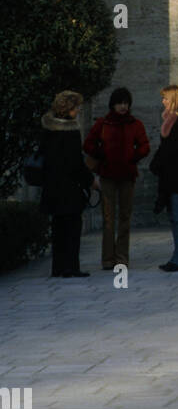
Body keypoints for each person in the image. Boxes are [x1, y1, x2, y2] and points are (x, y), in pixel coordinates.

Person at [82, 86, 149, 270]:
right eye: (120, 103)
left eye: (126, 103)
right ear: (113, 104)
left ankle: (122, 257)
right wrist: (101, 153)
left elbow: (144, 146)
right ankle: (107, 258)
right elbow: (88, 144)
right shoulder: (103, 124)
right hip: (108, 175)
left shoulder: (135, 124)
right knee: (108, 217)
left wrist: (133, 157)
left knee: (125, 217)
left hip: (127, 175)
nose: (123, 107)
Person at [39, 90, 94, 278]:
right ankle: (71, 266)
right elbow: (76, 164)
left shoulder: (48, 130)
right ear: (69, 108)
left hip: (52, 187)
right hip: (69, 188)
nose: (79, 110)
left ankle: (58, 267)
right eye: (77, 107)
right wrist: (91, 181)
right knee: (72, 228)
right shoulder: (70, 132)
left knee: (57, 229)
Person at [150, 85, 178, 272]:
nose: (163, 102)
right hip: (171, 175)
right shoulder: (171, 121)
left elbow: (173, 150)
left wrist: (158, 163)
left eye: (166, 98)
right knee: (175, 217)